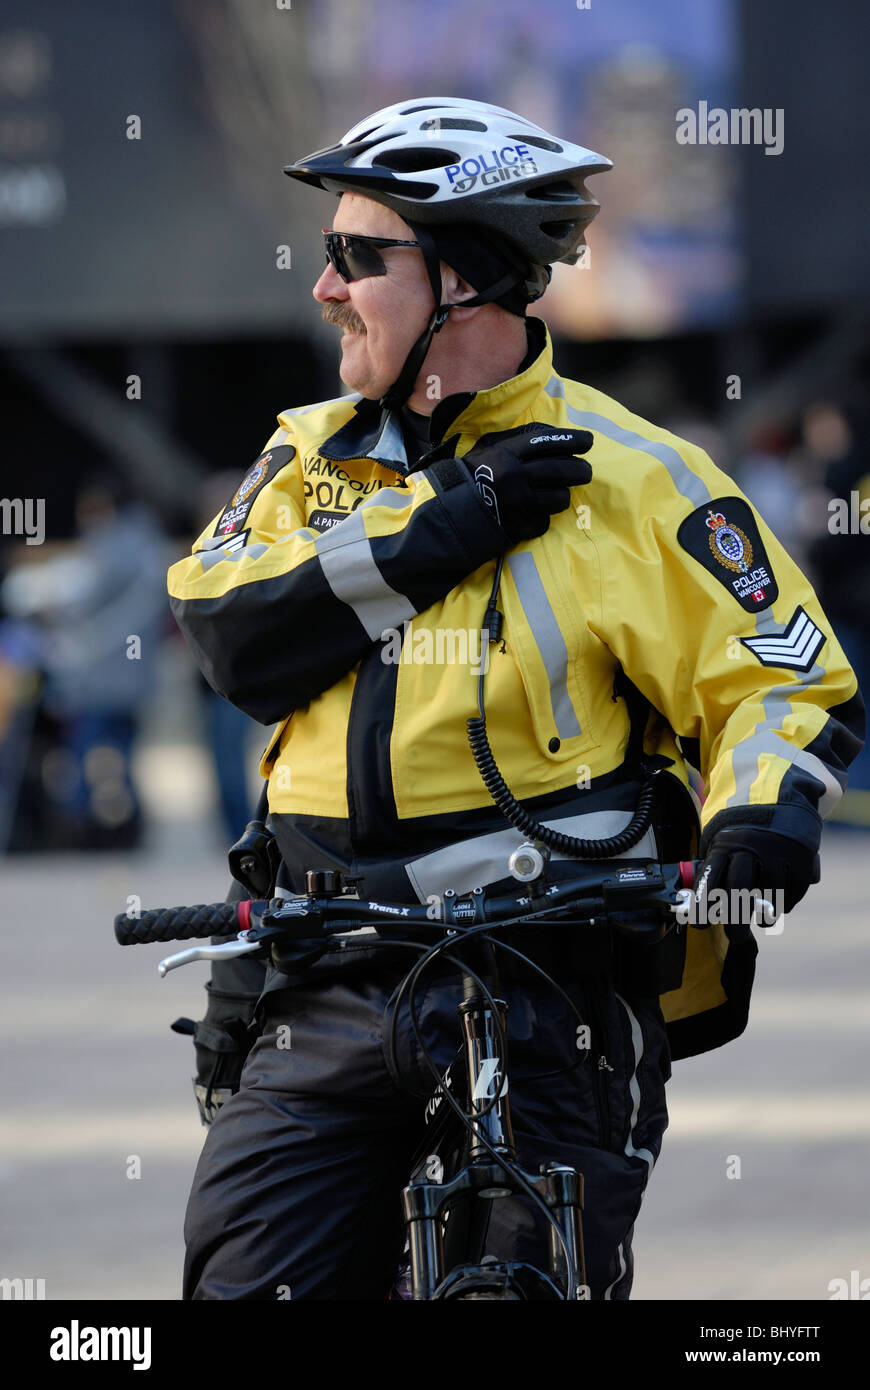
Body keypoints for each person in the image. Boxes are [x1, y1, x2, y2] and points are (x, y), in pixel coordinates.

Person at [167, 97, 864, 1300]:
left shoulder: (642, 479)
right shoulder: (302, 458)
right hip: (318, 974)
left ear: (468, 282)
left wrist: (762, 813)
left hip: (545, 985)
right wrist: (436, 533)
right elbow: (234, 641)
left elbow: (784, 674)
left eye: (357, 257)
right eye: (329, 254)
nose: (326, 288)